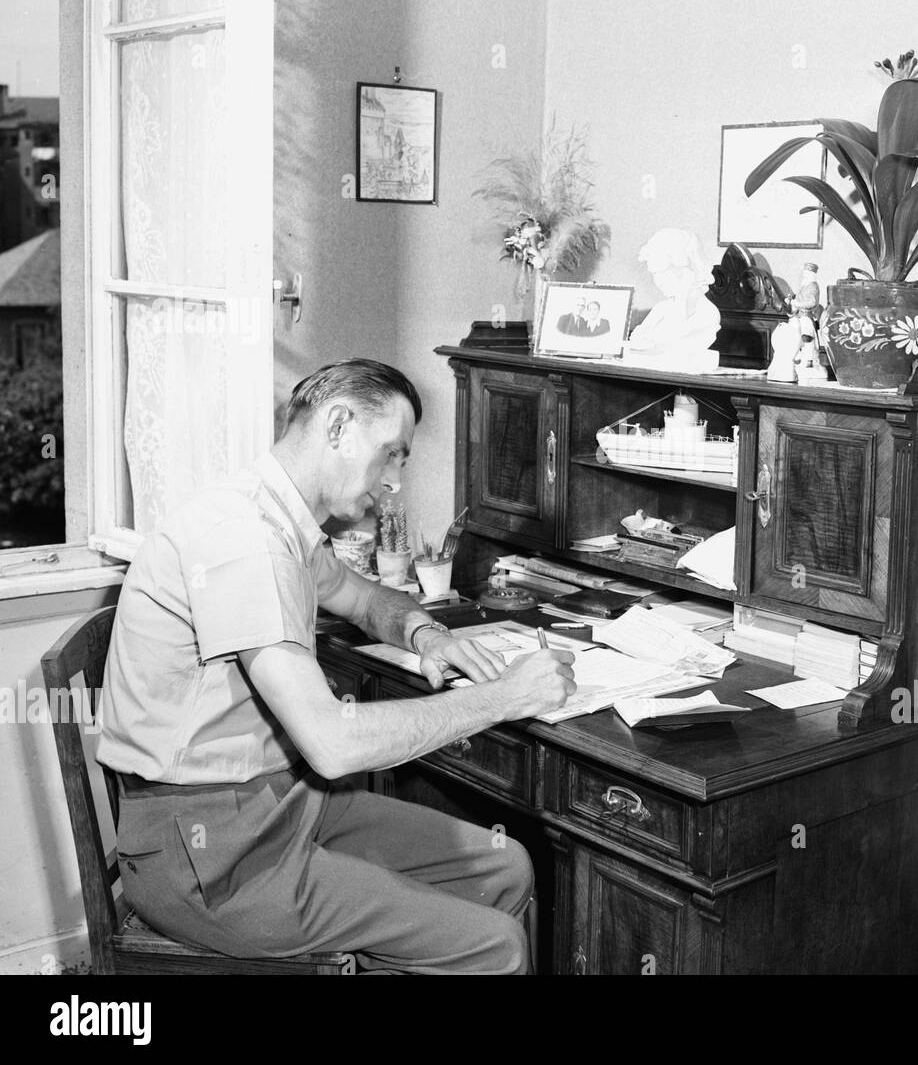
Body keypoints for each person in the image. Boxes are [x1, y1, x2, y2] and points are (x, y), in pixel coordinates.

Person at [96, 359, 576, 974]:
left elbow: (362, 597)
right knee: (496, 945)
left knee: (503, 864)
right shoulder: (245, 539)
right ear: (340, 425)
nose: (396, 478)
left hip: (283, 805)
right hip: (209, 853)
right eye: (393, 454)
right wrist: (503, 698)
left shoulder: (282, 520)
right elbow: (332, 744)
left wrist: (425, 632)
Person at [624, 228, 721, 372]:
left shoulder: (708, 314)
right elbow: (637, 341)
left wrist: (685, 291)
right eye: (655, 274)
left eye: (663, 273)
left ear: (687, 270)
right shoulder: (661, 308)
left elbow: (677, 344)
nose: (659, 282)